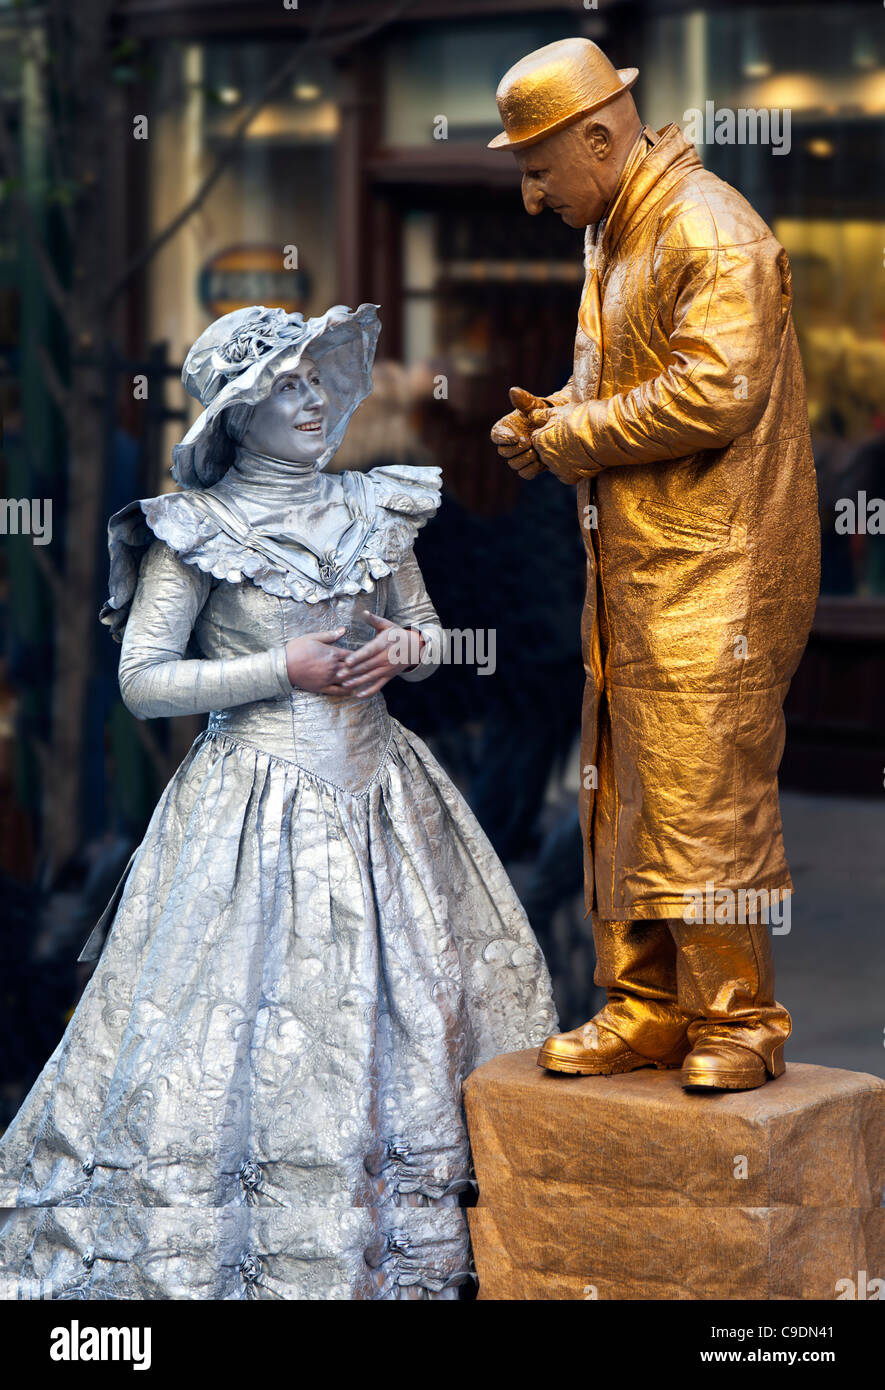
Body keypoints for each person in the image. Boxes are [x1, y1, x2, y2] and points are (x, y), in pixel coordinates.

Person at [0, 302, 557, 1300]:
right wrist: (281, 669)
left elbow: (427, 634)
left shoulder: (373, 508)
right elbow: (144, 681)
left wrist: (404, 651)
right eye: (280, 389)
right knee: (233, 1035)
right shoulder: (191, 532)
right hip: (250, 807)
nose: (307, 402)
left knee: (413, 1009)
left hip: (385, 793)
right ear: (232, 417)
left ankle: (400, 1247)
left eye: (313, 381)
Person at [489, 38, 820, 1091]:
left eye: (540, 170)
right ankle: (645, 1003)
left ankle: (739, 1020)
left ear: (600, 136)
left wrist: (573, 435)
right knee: (625, 789)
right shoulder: (620, 230)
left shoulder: (711, 228)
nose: (534, 198)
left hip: (715, 577)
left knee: (700, 792)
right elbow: (635, 382)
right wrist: (550, 420)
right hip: (639, 572)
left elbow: (714, 391)